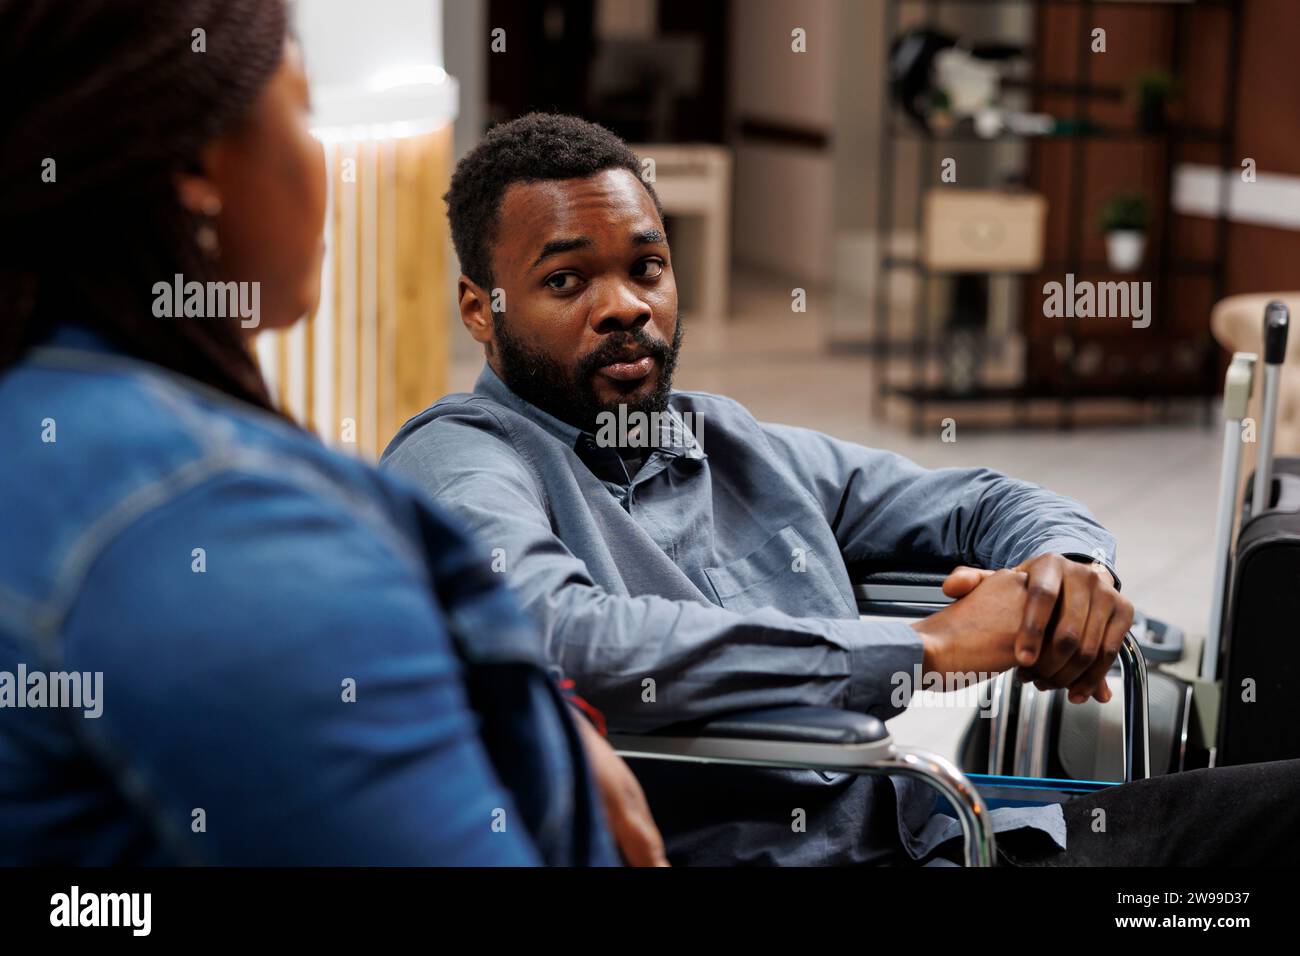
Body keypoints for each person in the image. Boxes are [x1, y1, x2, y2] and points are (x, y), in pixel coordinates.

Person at [381, 111, 1300, 866]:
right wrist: (925, 644)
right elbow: (565, 634)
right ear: (480, 309)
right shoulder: (464, 461)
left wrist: (1065, 570)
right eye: (567, 278)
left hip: (955, 831)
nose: (626, 305)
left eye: (647, 267)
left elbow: (979, 498)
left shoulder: (724, 438)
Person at [0, 0, 664, 867]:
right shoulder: (222, 532)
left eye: (647, 265)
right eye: (302, 108)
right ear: (202, 161)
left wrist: (533, 711)